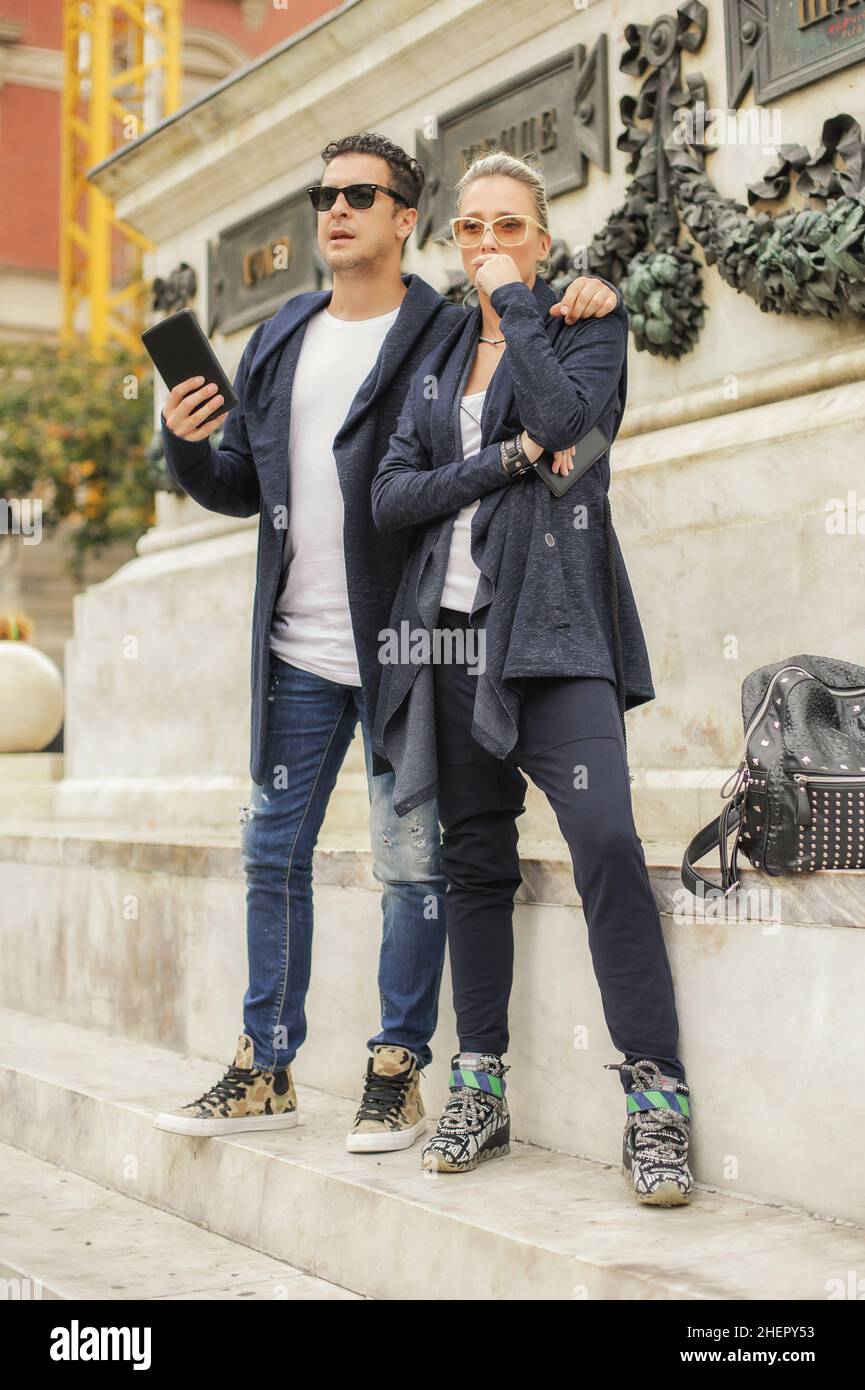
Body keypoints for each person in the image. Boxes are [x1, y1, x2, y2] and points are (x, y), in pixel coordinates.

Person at [152, 132, 621, 1150]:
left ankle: (397, 1067)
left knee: (413, 860)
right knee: (269, 851)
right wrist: (183, 446)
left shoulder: (441, 328)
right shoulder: (279, 333)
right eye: (323, 195)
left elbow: (528, 365)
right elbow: (242, 485)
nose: (335, 210)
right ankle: (264, 1060)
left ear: (407, 219)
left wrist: (573, 296)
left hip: (407, 644)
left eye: (360, 195)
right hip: (294, 650)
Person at [370, 151, 692, 1205]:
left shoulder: (587, 323)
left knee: (604, 842)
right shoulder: (435, 350)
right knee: (473, 862)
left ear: (543, 240)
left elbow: (567, 432)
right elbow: (391, 498)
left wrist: (524, 306)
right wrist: (501, 463)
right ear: (450, 238)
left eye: (508, 227)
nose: (486, 244)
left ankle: (656, 1101)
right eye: (470, 229)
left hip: (553, 633)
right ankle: (480, 1082)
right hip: (449, 642)